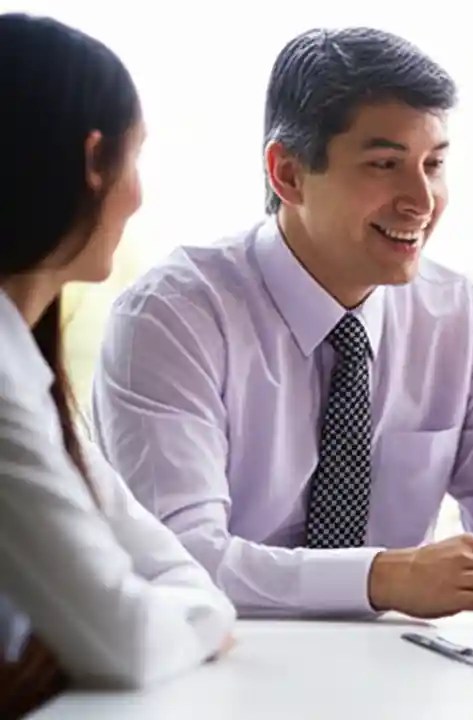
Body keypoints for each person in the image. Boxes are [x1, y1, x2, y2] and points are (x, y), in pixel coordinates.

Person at [90, 26, 473, 621]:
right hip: (212, 668)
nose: (422, 200)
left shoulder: (464, 323)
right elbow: (182, 558)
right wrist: (384, 576)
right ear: (288, 173)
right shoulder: (171, 319)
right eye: (385, 165)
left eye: (434, 164)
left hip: (400, 674)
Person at [0, 13, 236, 715]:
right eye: (136, 160)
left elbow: (171, 570)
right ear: (93, 160)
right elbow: (126, 637)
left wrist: (162, 617)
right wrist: (193, 621)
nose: (139, 194)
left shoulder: (28, 371)